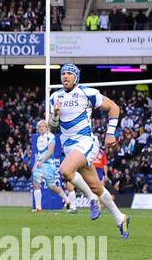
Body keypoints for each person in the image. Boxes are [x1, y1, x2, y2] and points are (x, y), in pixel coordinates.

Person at [47, 63, 128, 237]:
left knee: (65, 171)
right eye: (63, 74)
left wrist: (110, 133)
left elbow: (114, 108)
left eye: (69, 73)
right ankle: (120, 217)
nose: (65, 77)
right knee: (97, 186)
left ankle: (92, 199)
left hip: (85, 142)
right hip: (69, 147)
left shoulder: (88, 92)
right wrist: (55, 115)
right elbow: (52, 128)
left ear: (76, 77)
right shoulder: (55, 97)